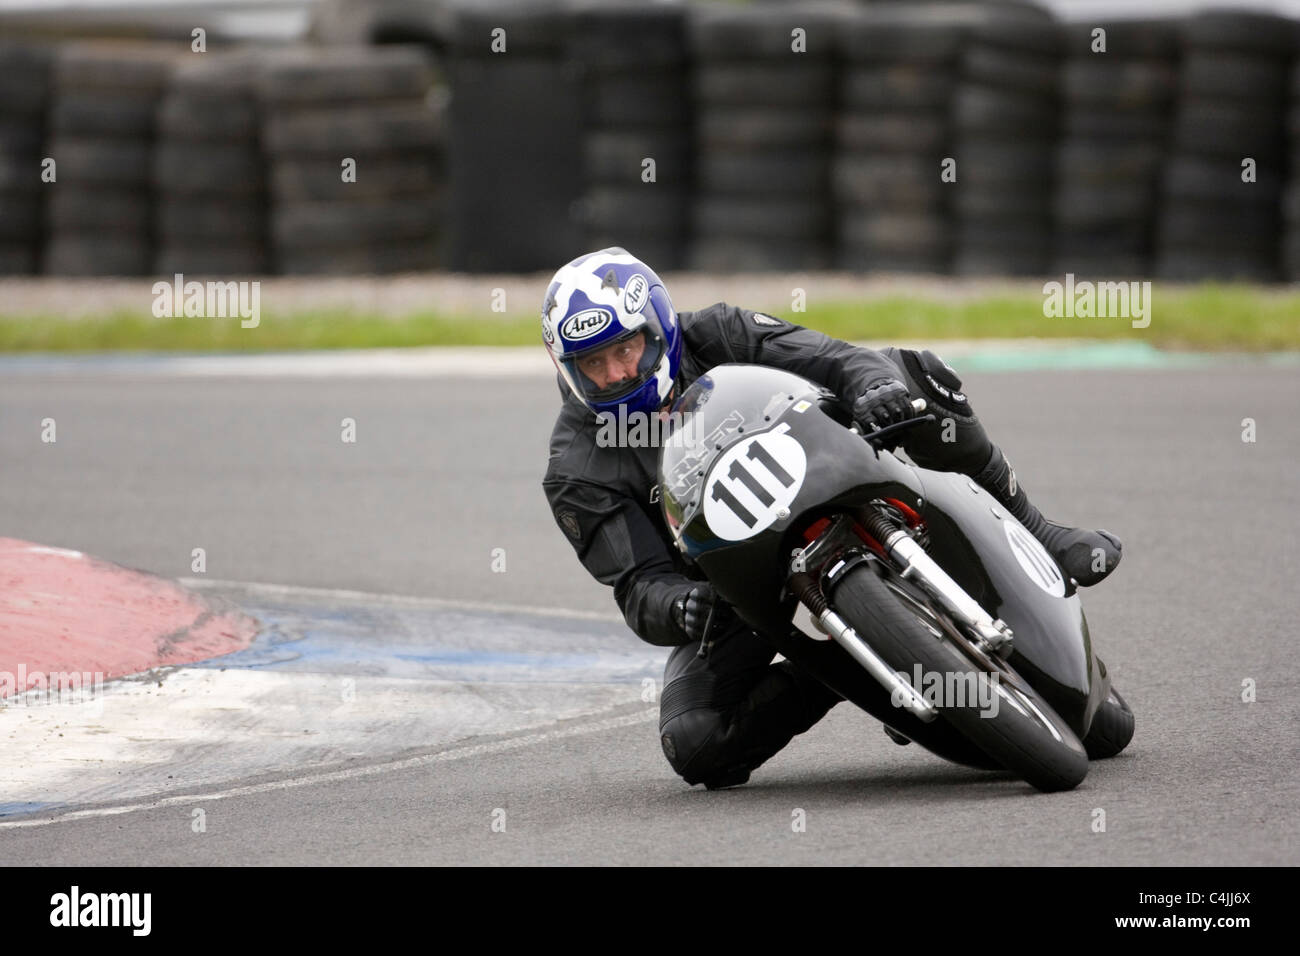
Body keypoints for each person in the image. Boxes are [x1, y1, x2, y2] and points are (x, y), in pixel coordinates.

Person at [541, 248, 1122, 790]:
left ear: (659, 329)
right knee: (695, 742)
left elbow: (832, 357)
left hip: (835, 471)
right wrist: (677, 607)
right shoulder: (576, 470)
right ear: (568, 370)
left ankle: (1038, 528)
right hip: (738, 588)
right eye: (594, 363)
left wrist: (873, 387)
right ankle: (858, 669)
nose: (616, 374)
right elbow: (638, 587)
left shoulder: (718, 332)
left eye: (626, 350)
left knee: (916, 376)